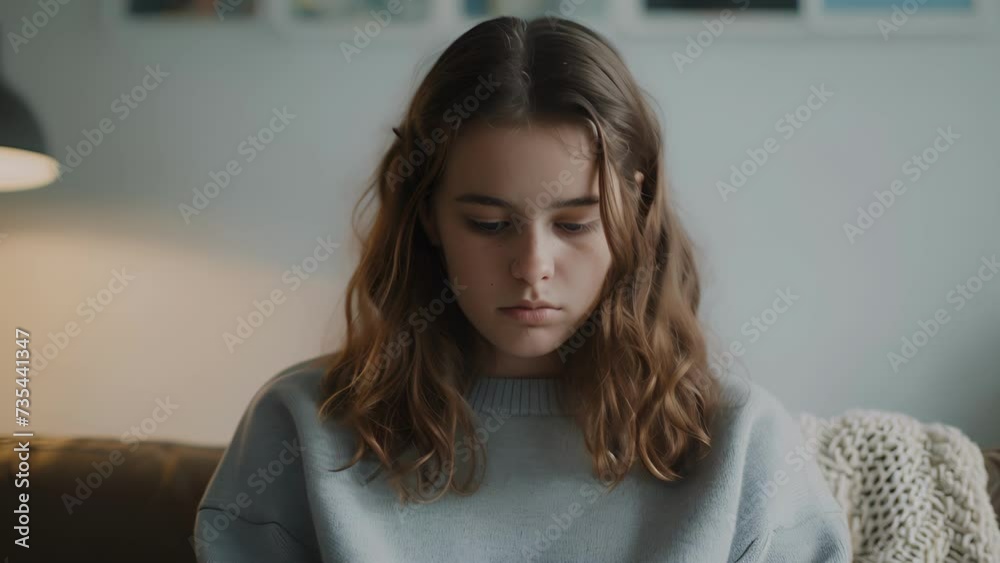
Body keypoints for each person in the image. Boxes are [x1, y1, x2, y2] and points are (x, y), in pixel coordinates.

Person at [192, 15, 852, 563]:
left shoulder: (741, 445)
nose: (532, 265)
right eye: (489, 223)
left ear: (635, 206)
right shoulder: (300, 429)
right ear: (427, 214)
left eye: (575, 222)